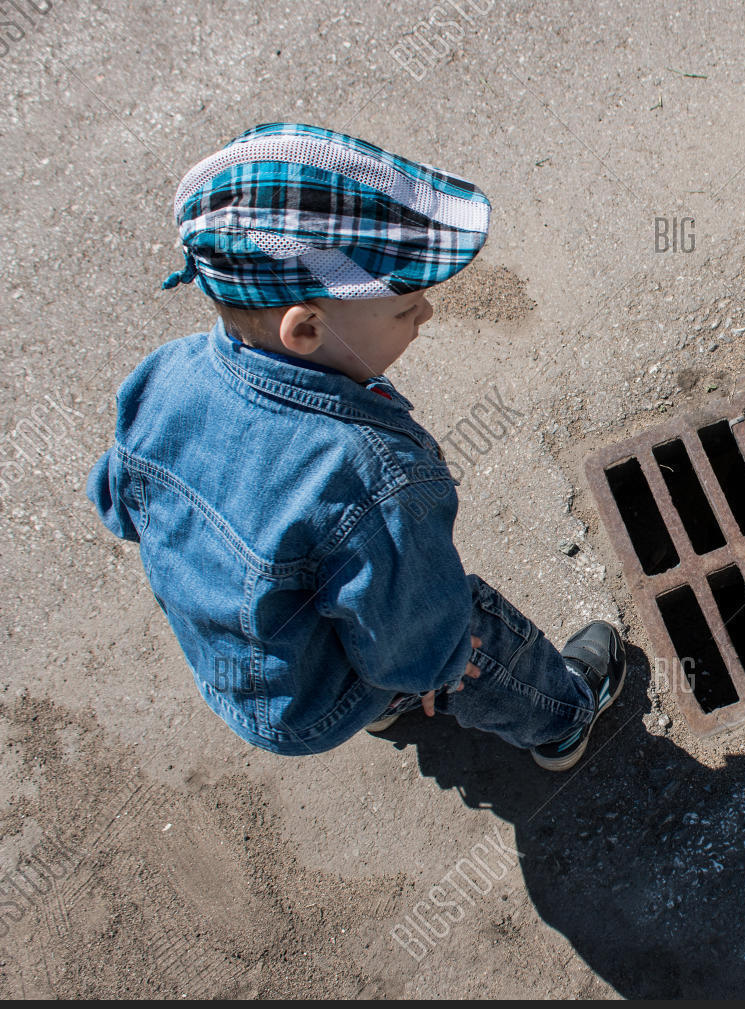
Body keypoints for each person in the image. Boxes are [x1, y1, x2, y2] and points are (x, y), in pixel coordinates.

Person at [87, 123, 624, 771]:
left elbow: (117, 504)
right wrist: (423, 669)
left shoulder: (161, 376)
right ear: (307, 328)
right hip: (317, 700)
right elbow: (419, 646)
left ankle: (383, 704)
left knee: (341, 590)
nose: (425, 316)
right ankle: (560, 715)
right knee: (464, 626)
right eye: (406, 308)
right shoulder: (368, 470)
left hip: (242, 675)